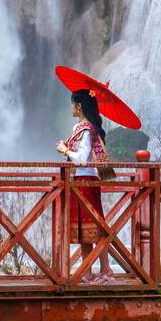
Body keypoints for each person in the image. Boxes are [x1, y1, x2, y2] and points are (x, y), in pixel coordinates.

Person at [55, 88, 113, 283]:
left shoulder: (86, 129)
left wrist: (65, 150)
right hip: (84, 181)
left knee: (92, 228)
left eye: (73, 104)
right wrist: (67, 149)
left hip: (85, 181)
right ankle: (91, 271)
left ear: (79, 106)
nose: (71, 107)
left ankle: (102, 270)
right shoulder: (82, 127)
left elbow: (81, 159)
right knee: (85, 229)